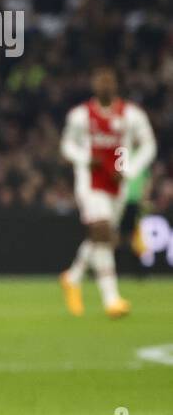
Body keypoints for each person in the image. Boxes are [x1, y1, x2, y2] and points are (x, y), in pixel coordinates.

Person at [58, 66, 157, 318]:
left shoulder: (131, 115)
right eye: (100, 81)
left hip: (118, 182)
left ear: (115, 85)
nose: (104, 85)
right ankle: (111, 299)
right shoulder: (80, 116)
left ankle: (73, 276)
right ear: (94, 86)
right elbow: (67, 144)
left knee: (100, 236)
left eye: (108, 81)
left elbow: (148, 145)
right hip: (89, 181)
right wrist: (83, 158)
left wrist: (130, 169)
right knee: (102, 231)